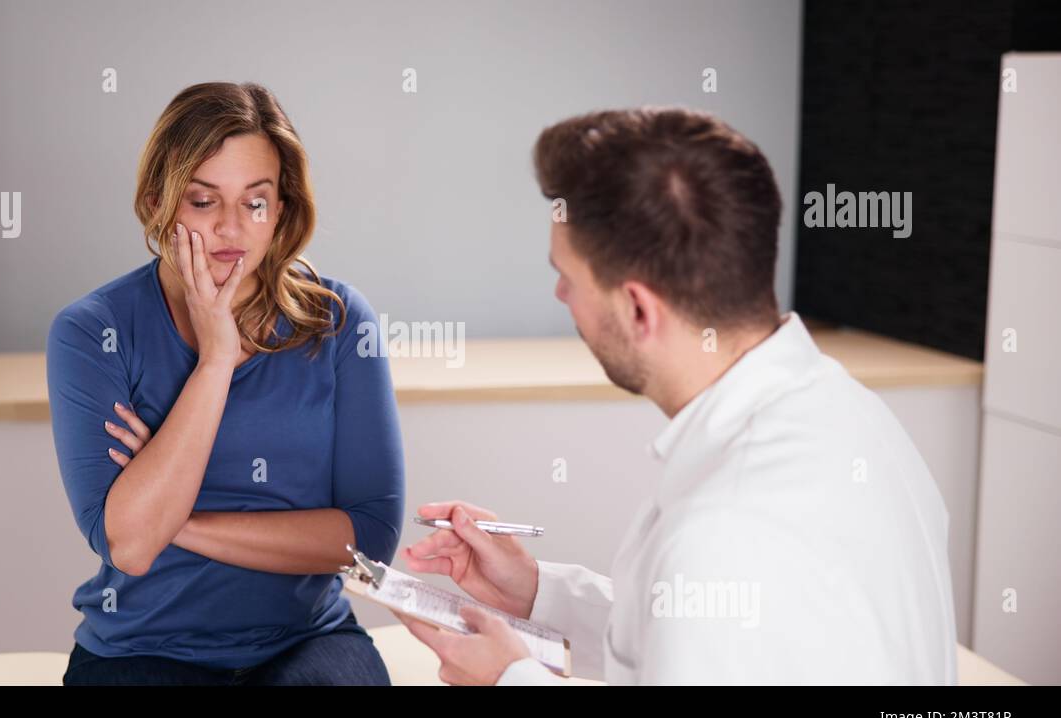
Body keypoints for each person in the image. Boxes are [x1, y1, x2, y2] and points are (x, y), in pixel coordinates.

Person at [396, 107, 958, 685]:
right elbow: (697, 640)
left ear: (638, 308)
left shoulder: (728, 530)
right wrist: (538, 594)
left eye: (568, 275)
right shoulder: (850, 414)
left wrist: (510, 680)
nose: (560, 293)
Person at [46, 82, 404, 685]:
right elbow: (130, 548)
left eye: (255, 202)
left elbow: (367, 542)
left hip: (306, 642)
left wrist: (175, 520)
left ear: (282, 208)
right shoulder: (92, 331)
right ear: (160, 201)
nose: (231, 229)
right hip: (140, 652)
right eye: (202, 201)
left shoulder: (338, 321)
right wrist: (215, 359)